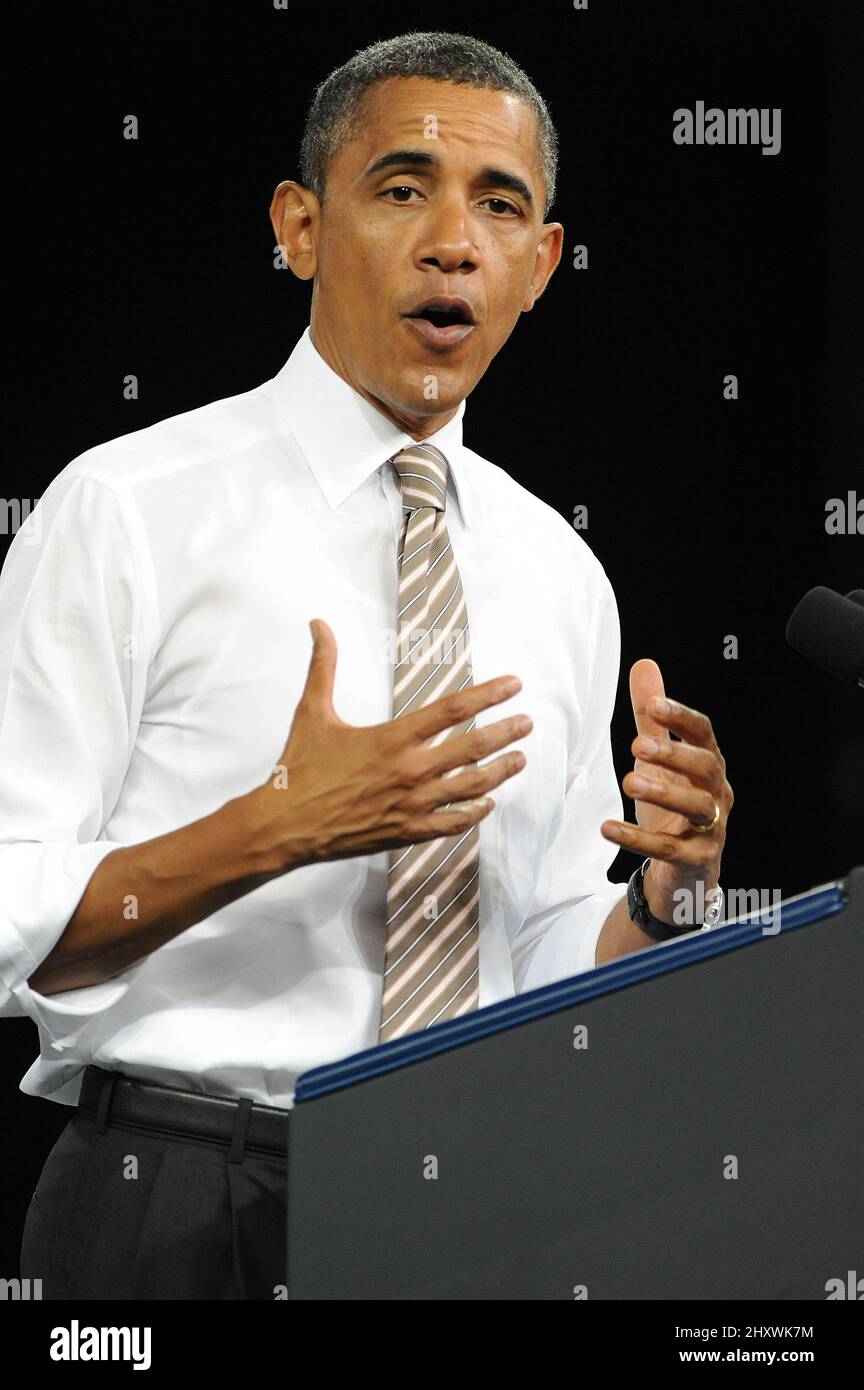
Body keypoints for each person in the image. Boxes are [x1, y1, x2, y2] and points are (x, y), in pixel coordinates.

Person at [1, 30, 732, 1300]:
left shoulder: (561, 571)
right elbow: (12, 922)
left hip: (469, 1214)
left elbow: (541, 965)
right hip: (180, 1200)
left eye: (499, 207)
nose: (455, 240)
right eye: (404, 189)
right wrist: (276, 829)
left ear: (542, 264)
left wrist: (666, 903)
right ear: (300, 228)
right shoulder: (128, 507)